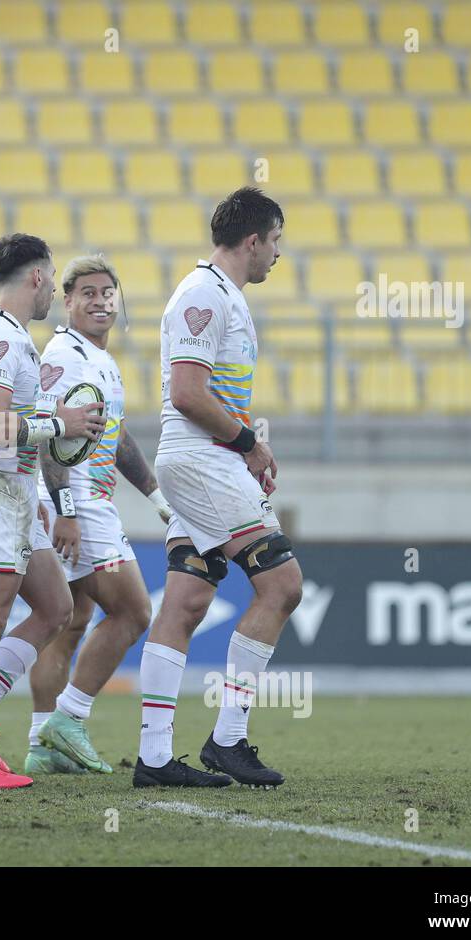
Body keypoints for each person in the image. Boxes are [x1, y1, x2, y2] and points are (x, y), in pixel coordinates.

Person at [138, 186, 300, 790]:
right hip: (202, 460)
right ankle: (227, 739)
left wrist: (244, 451)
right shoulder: (204, 293)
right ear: (253, 239)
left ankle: (154, 757)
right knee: (282, 586)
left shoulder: (220, 293)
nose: (278, 254)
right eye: (276, 240)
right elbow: (187, 393)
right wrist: (247, 445)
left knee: (186, 601)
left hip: (206, 462)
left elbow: (211, 395)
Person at [0, 233, 104, 791]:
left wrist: (37, 492)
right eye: (51, 279)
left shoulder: (7, 333)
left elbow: (10, 425)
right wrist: (61, 425)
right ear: (36, 277)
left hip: (12, 493)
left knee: (56, 607)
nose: (52, 294)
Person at [24, 255, 172, 775]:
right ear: (67, 301)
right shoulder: (64, 355)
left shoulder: (100, 361)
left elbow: (119, 438)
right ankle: (69, 719)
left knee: (69, 621)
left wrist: (156, 498)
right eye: (87, 292)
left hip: (87, 500)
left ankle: (41, 747)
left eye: (108, 292)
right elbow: (46, 434)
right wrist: (65, 513)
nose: (100, 300)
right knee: (133, 612)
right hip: (78, 501)